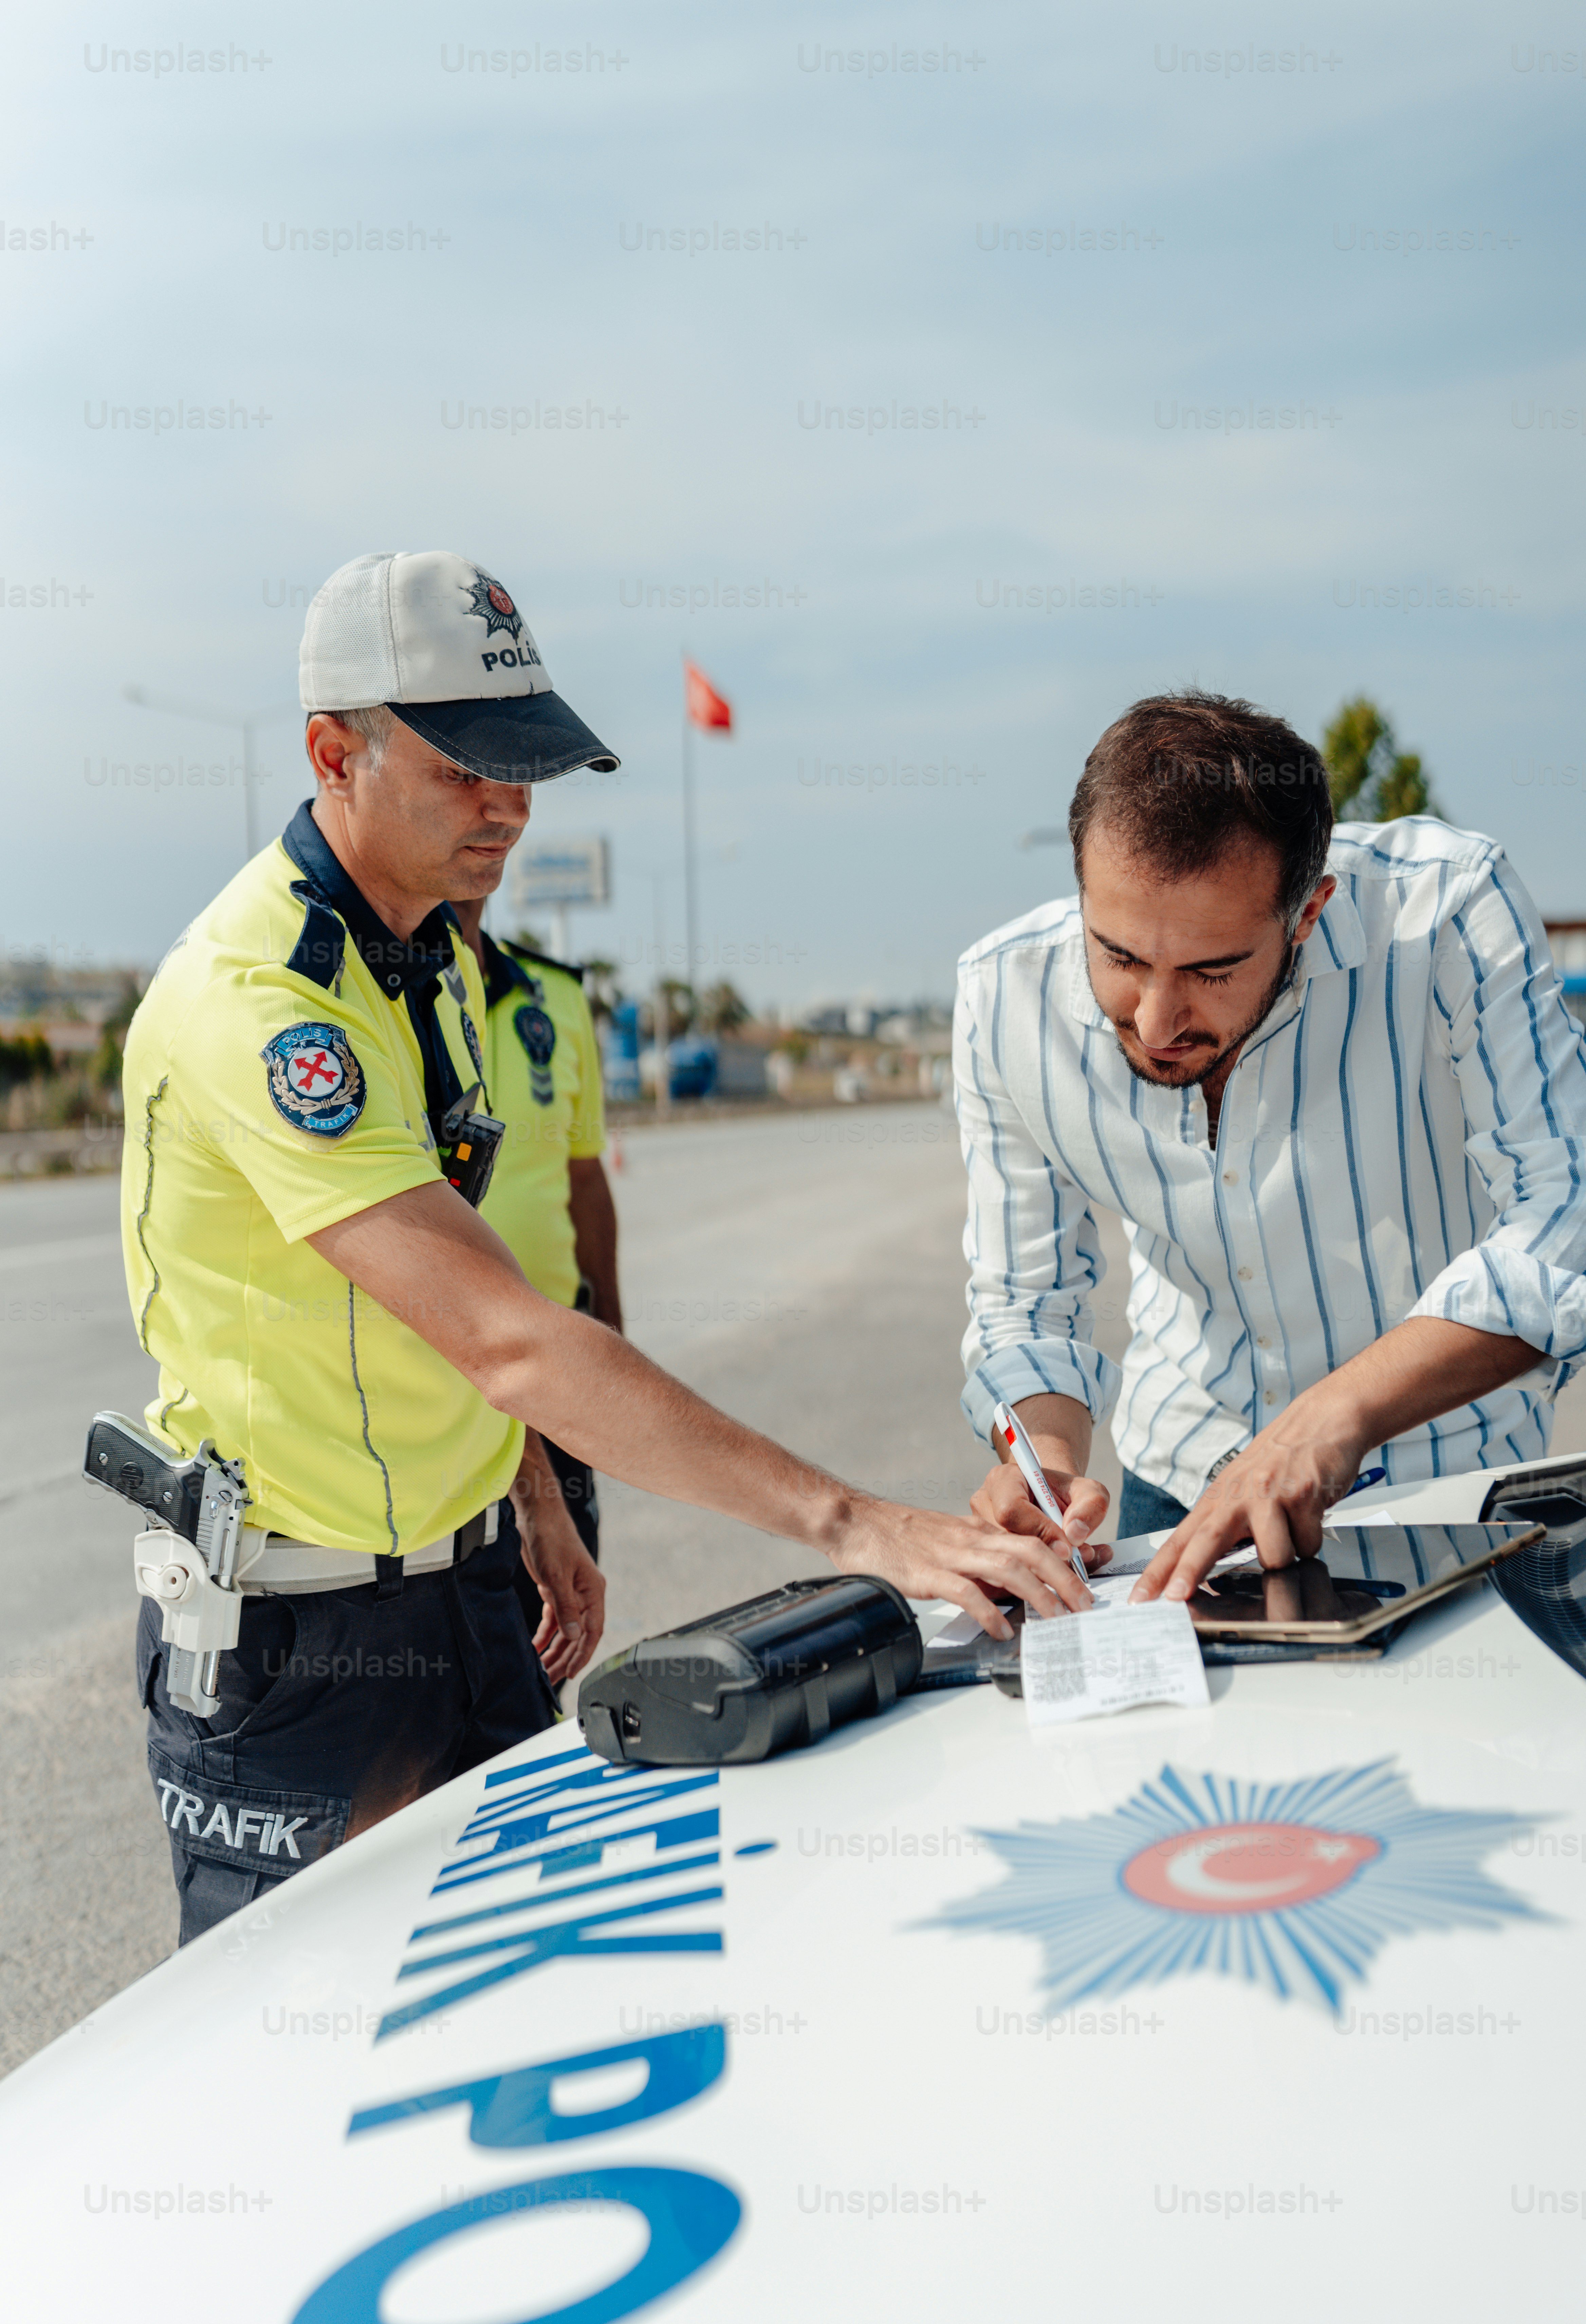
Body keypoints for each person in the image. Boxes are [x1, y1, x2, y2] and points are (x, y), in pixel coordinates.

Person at [123, 547, 1082, 1942]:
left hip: (473, 1593)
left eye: (526, 767)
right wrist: (859, 1526)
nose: (510, 808)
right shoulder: (262, 1004)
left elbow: (440, 1285)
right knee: (311, 2070)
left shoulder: (431, 959)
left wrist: (531, 1503)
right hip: (297, 1646)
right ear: (336, 753)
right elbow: (504, 1336)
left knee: (517, 1997)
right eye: (465, 768)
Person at [958, 690, 1586, 1605]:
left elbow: (1564, 1220)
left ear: (1310, 912)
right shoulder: (1003, 996)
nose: (1157, 1020)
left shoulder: (1450, 911)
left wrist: (1329, 1420)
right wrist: (1047, 1464)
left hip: (1449, 1490)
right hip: (1174, 1496)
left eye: (1212, 970)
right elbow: (1027, 1304)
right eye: (1120, 956)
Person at [450, 897, 615, 1597]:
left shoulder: (556, 997)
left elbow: (584, 1175)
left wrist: (610, 1331)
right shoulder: (375, 995)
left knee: (560, 1614)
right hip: (449, 1371)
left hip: (559, 1366)